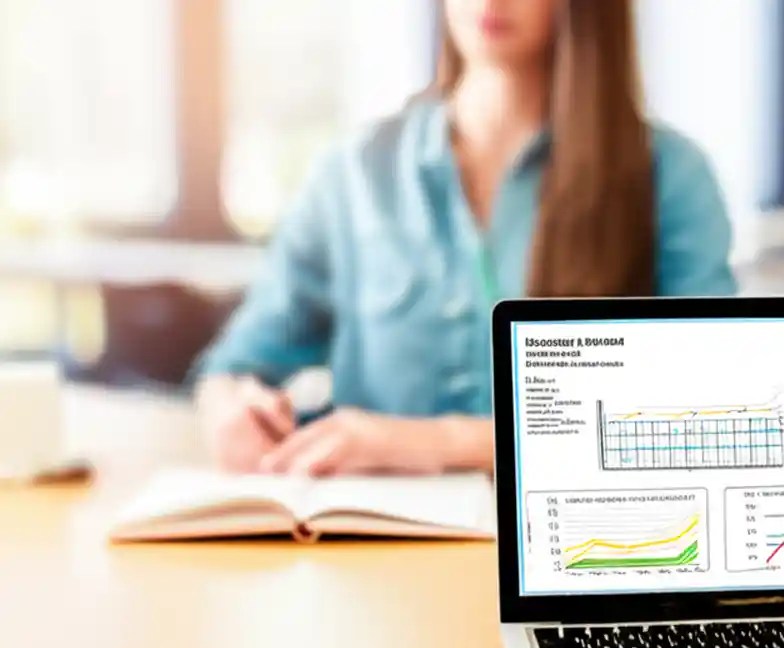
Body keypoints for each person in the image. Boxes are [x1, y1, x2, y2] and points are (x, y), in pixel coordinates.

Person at [195, 0, 736, 477]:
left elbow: (708, 406)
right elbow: (234, 366)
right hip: (381, 556)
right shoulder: (354, 173)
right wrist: (233, 408)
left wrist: (436, 443)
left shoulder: (670, 176)